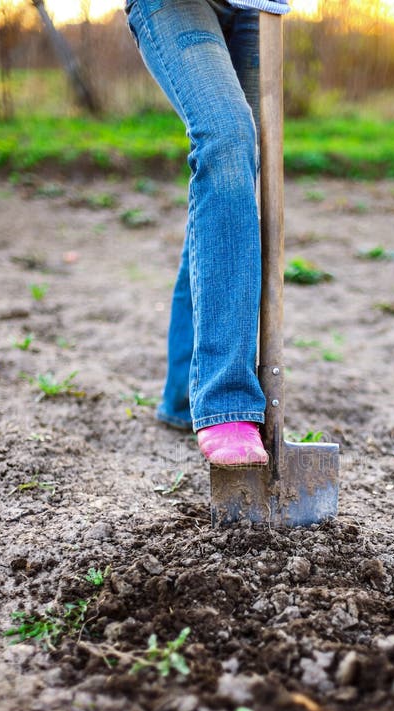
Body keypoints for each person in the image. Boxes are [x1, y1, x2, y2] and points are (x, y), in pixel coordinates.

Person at [124, 0, 290, 466]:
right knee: (227, 138)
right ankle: (225, 401)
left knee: (231, 188)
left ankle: (184, 393)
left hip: (255, 9)